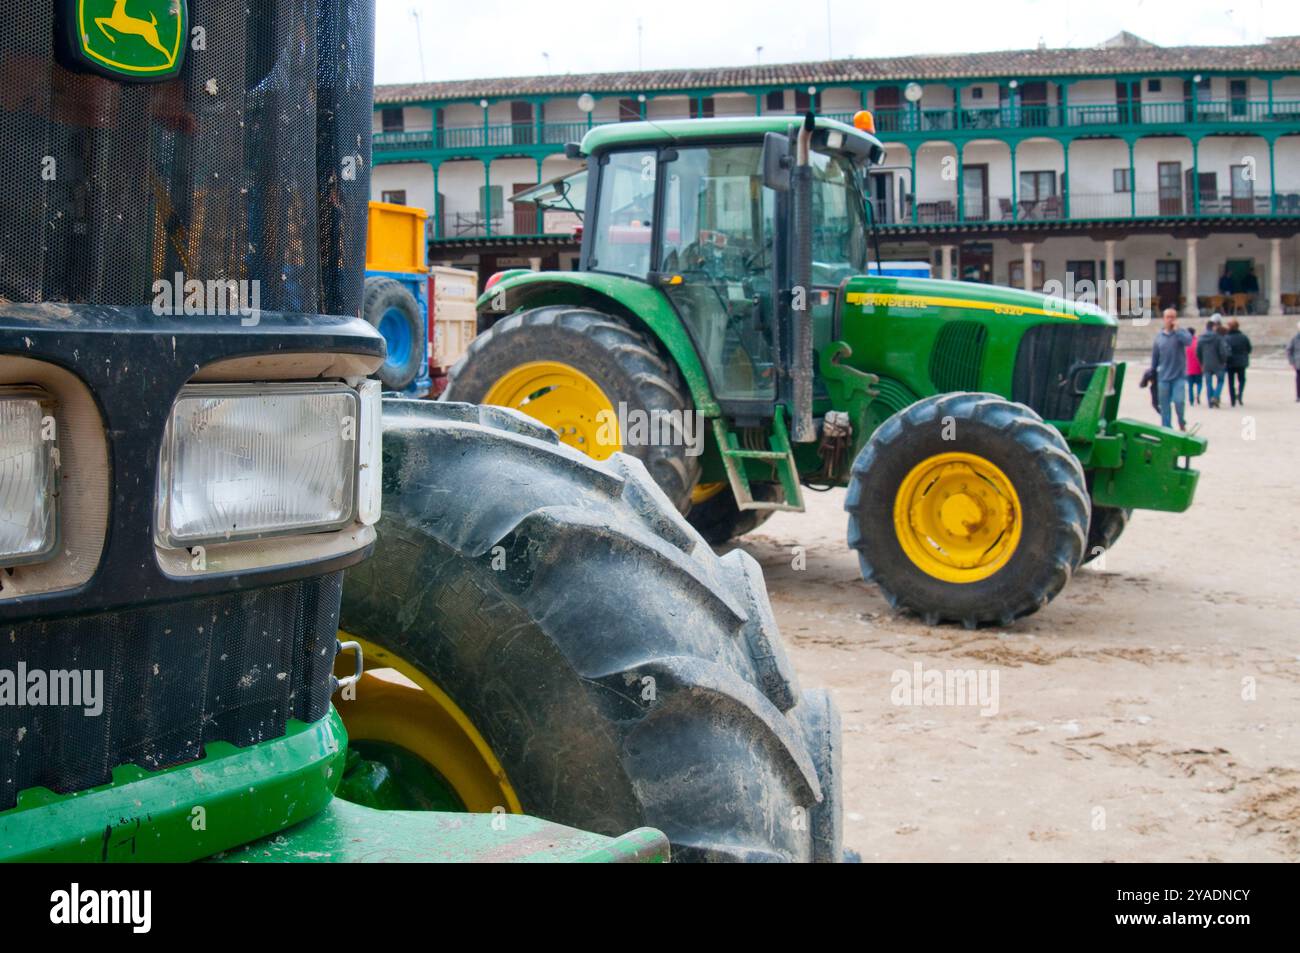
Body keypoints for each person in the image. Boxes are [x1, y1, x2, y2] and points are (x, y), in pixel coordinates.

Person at [1150, 308, 1192, 431]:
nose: (1170, 319)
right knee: (1164, 405)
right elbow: (1155, 356)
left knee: (1179, 401)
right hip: (1163, 376)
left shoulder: (1181, 334)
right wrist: (1152, 373)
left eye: (1172, 317)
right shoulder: (1159, 337)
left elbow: (1189, 341)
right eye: (1168, 317)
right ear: (1164, 319)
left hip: (1178, 376)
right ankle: (1166, 428)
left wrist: (1178, 330)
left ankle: (1181, 421)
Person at [1197, 317, 1229, 408]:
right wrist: (1223, 361)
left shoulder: (1201, 338)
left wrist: (1201, 362)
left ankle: (1210, 402)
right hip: (1218, 363)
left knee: (1208, 383)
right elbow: (1222, 351)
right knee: (1220, 381)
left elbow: (1198, 351)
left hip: (1206, 363)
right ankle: (1215, 396)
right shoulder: (1218, 337)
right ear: (1213, 327)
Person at [1224, 317, 1253, 406]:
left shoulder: (1226, 338)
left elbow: (1224, 350)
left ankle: (1232, 399)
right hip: (1241, 361)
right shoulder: (1244, 337)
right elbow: (1249, 349)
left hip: (1230, 362)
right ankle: (1240, 395)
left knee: (1231, 381)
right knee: (1242, 379)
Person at [1185, 330, 1203, 405]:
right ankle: (1198, 394)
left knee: (1190, 385)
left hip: (1188, 368)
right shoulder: (1197, 342)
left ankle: (1191, 400)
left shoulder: (1185, 344)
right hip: (1198, 366)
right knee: (1199, 383)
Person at [1288, 320, 1300, 403]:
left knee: (1298, 379)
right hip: (1298, 361)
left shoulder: (1295, 338)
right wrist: (1292, 362)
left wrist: (1292, 361)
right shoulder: (1295, 339)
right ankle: (1298, 396)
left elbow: (1289, 350)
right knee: (1298, 379)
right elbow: (1289, 350)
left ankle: (1298, 396)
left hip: (1297, 361)